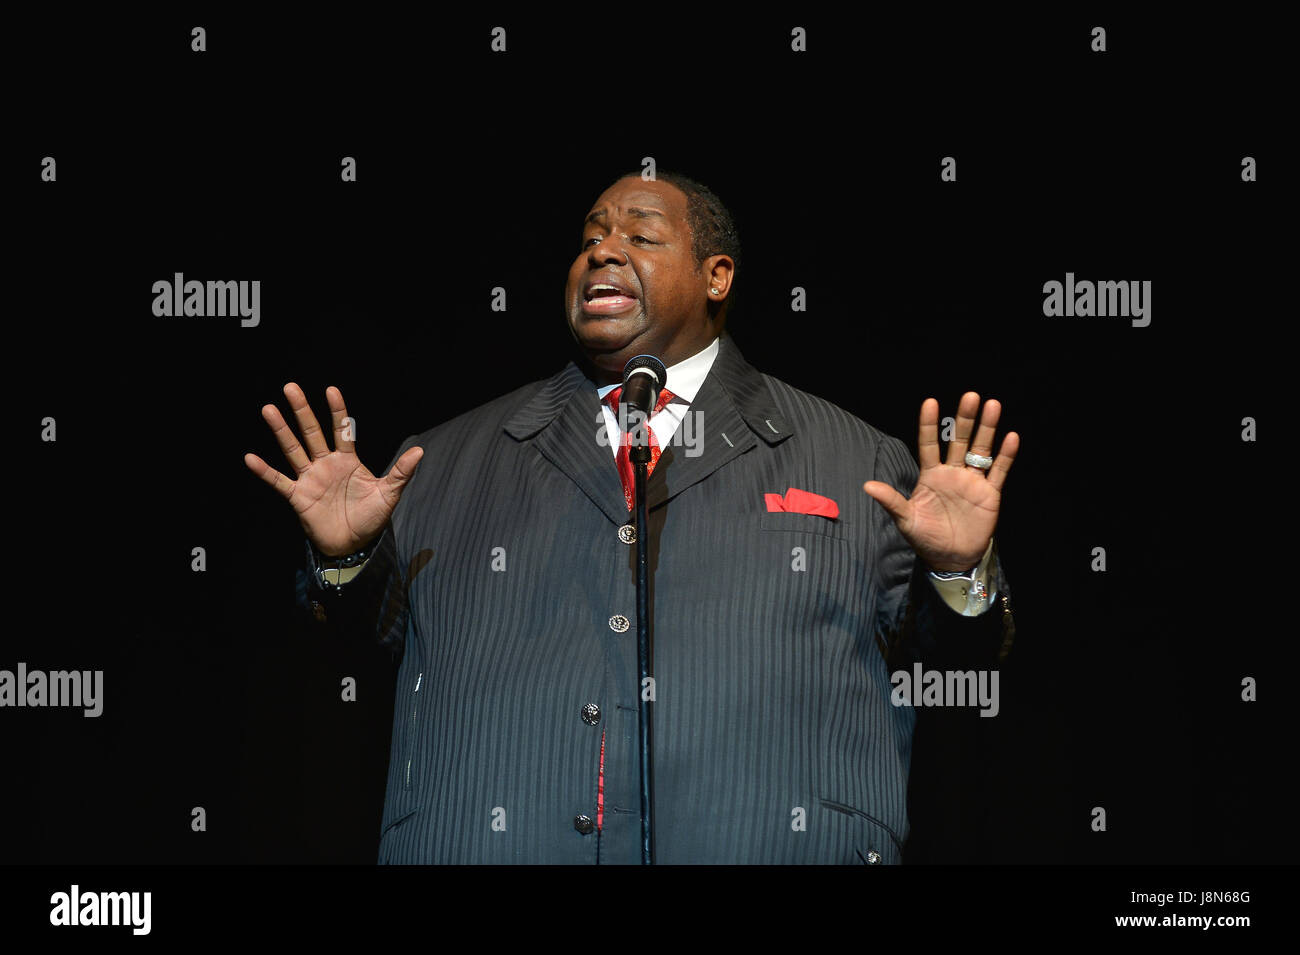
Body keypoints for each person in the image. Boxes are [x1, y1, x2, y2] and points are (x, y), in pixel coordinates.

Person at [244, 171, 1019, 864]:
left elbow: (958, 666)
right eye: (589, 239)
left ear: (718, 276)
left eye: (640, 236)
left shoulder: (857, 461)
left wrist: (958, 572)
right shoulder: (441, 461)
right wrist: (343, 560)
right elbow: (349, 657)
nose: (602, 253)